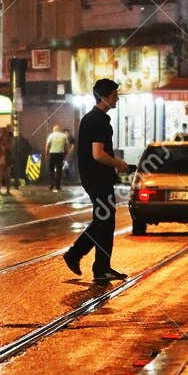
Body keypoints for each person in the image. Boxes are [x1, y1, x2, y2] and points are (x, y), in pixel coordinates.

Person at [63, 78, 131, 282]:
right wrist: (118, 163)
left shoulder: (92, 119)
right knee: (105, 221)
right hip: (98, 177)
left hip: (94, 177)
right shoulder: (98, 121)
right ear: (104, 97)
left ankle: (88, 261)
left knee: (103, 220)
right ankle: (95, 265)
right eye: (114, 95)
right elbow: (98, 154)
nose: (117, 99)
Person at [44, 123, 69, 189]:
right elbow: (66, 146)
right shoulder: (63, 136)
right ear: (59, 130)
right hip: (60, 154)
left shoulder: (51, 136)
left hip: (52, 154)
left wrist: (46, 154)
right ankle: (58, 186)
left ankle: (52, 183)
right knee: (59, 170)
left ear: (54, 130)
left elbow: (47, 145)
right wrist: (66, 153)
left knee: (51, 169)